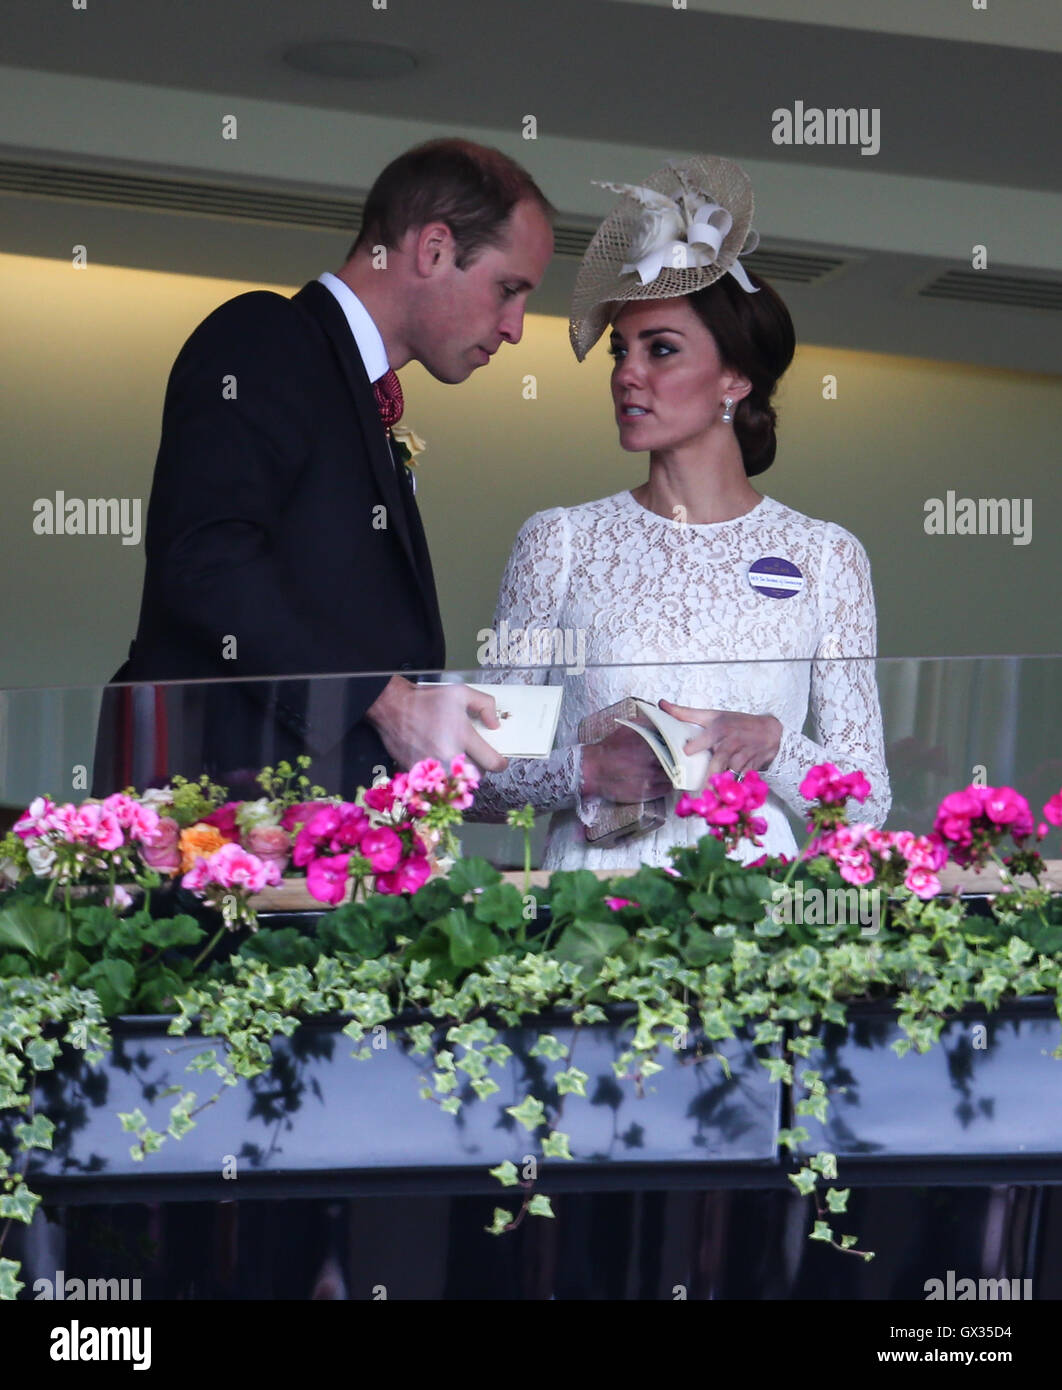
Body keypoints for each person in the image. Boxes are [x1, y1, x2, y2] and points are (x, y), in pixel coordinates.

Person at [93, 138, 555, 799]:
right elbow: (206, 560)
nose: (514, 327)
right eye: (508, 289)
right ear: (431, 250)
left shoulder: (355, 389)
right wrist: (390, 702)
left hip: (318, 834)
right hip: (225, 827)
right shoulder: (264, 335)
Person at [472, 154, 891, 868]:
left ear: (734, 377)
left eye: (661, 350)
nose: (628, 374)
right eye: (620, 352)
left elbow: (868, 802)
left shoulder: (826, 555)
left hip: (754, 901)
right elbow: (479, 780)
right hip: (589, 905)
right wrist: (588, 770)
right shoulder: (560, 541)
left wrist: (774, 743)